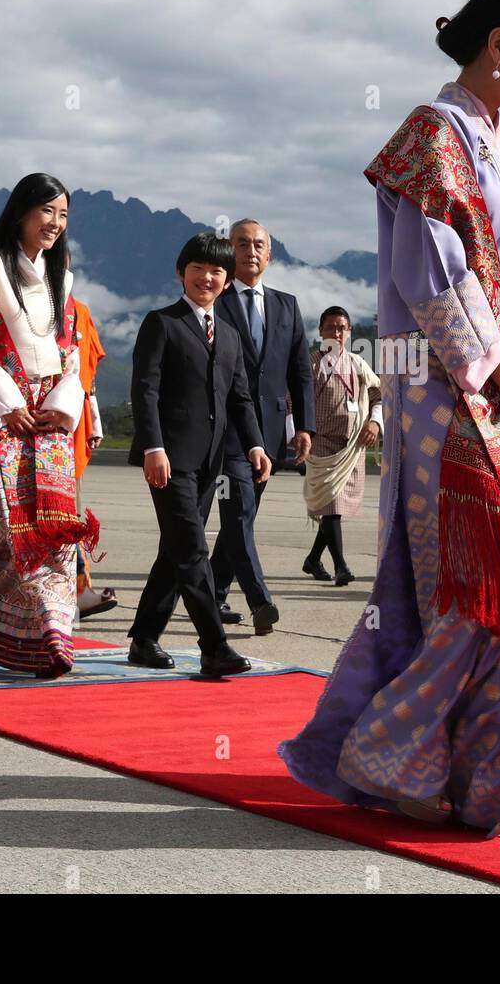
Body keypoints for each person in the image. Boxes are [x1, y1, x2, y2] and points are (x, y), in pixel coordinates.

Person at [280, 0, 500, 836]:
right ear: (498, 44)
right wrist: (494, 359)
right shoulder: (430, 136)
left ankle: (476, 776)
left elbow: (489, 269)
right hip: (448, 399)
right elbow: (426, 274)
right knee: (473, 589)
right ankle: (391, 749)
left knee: (497, 592)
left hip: (491, 393)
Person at [0, 173, 98, 678]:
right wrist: (6, 403)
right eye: (47, 211)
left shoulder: (63, 278)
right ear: (21, 212)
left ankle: (49, 635)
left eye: (64, 215)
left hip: (46, 417)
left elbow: (69, 353)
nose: (55, 224)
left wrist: (64, 401)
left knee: (47, 532)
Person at [127, 231, 271, 677]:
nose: (206, 278)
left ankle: (144, 639)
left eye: (216, 271)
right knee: (192, 550)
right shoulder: (162, 322)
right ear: (180, 273)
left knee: (175, 550)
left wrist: (255, 444)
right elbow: (145, 390)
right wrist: (153, 446)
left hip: (210, 462)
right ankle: (215, 646)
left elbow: (240, 398)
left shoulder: (228, 335)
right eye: (197, 269)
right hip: (168, 460)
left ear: (227, 281)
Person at [209, 218, 316, 633]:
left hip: (271, 432)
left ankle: (214, 595)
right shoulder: (215, 301)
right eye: (241, 244)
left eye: (258, 245)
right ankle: (260, 602)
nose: (250, 251)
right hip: (227, 432)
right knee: (237, 515)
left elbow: (300, 371)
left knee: (243, 518)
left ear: (269, 255)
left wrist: (303, 426)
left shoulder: (286, 304)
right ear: (228, 250)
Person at [300, 306, 382, 589]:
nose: (336, 333)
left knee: (332, 508)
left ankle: (313, 559)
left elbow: (379, 395)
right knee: (331, 506)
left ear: (349, 332)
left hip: (353, 447)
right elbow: (293, 401)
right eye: (331, 327)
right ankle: (341, 566)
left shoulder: (359, 364)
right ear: (321, 331)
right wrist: (300, 435)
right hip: (321, 444)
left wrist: (374, 423)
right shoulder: (310, 364)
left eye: (342, 328)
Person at [71, 299, 116, 620]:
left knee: (64, 512)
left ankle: (79, 588)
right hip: (16, 418)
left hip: (64, 422)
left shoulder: (77, 310)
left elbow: (88, 372)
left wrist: (94, 418)